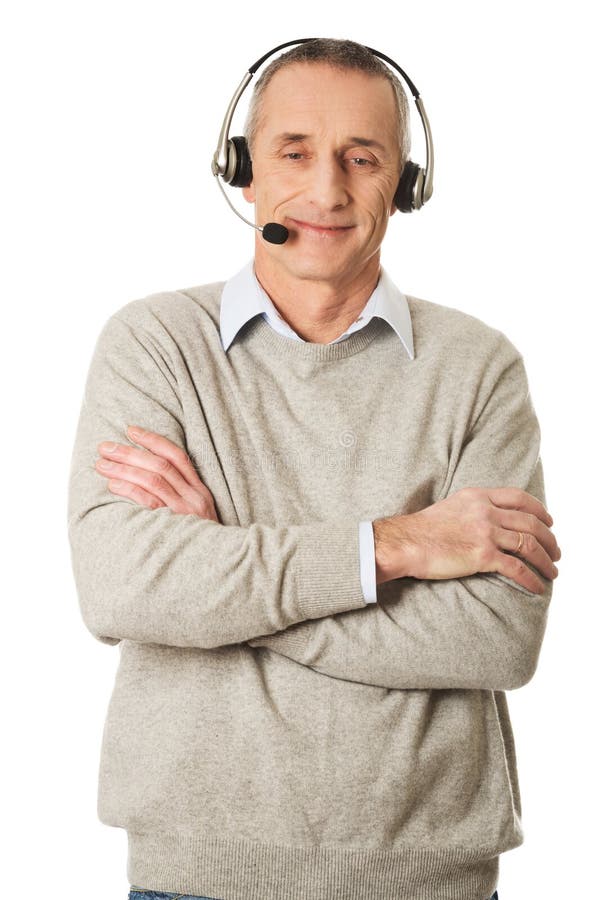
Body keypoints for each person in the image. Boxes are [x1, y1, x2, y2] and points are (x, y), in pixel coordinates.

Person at [67, 37, 560, 900]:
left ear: (404, 186)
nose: (326, 189)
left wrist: (220, 576)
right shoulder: (154, 345)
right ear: (242, 170)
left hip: (429, 877)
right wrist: (393, 548)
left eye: (361, 158)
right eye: (294, 152)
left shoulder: (478, 367)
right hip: (194, 874)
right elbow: (119, 588)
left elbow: (495, 637)